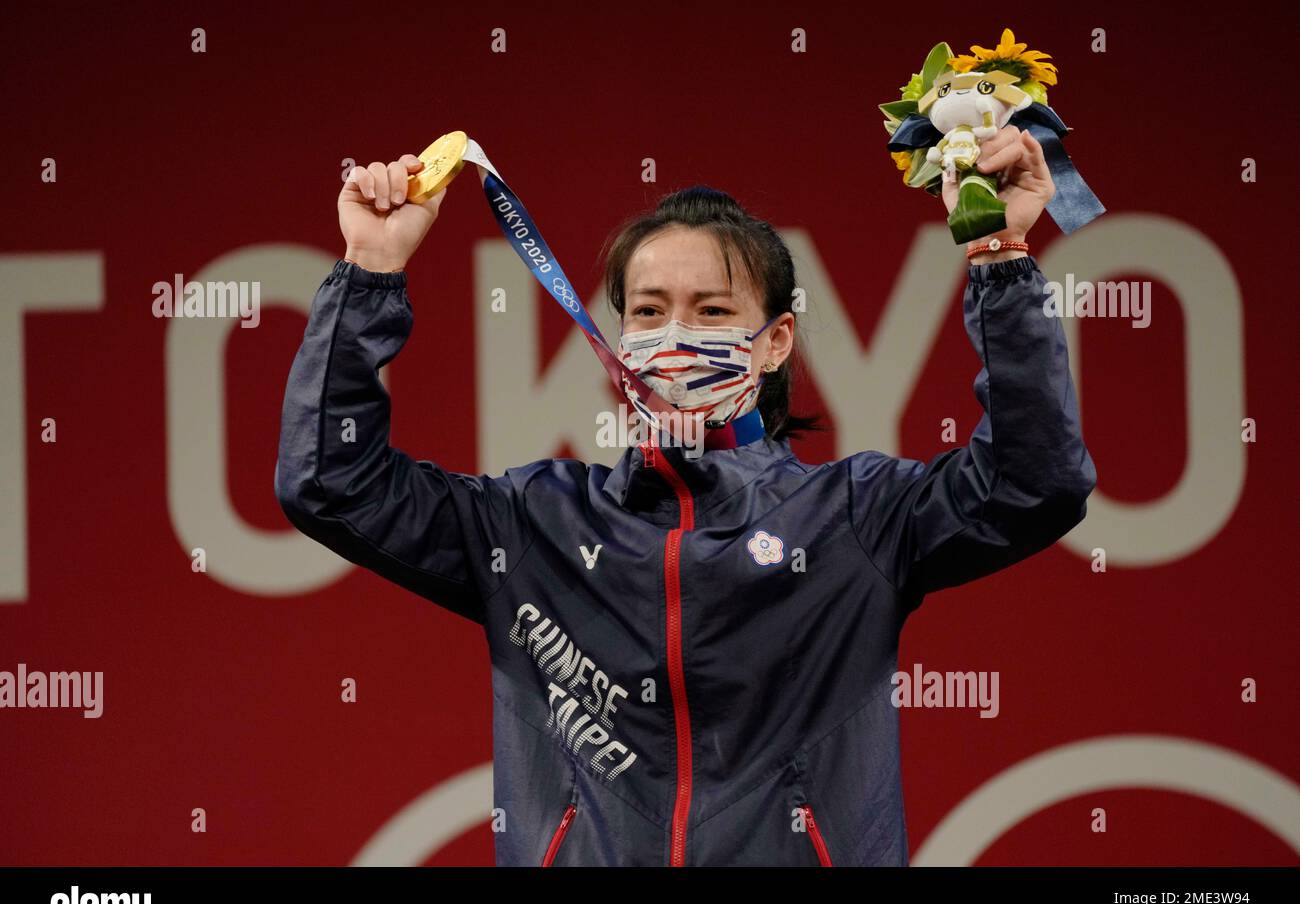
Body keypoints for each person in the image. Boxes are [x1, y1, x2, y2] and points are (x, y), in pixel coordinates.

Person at [275, 127, 1096, 866]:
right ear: (620, 341)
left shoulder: (857, 519)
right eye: (648, 312)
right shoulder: (534, 526)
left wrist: (998, 252)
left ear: (775, 342)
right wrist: (371, 272)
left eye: (711, 311)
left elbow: (1033, 482)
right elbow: (330, 483)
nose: (674, 339)